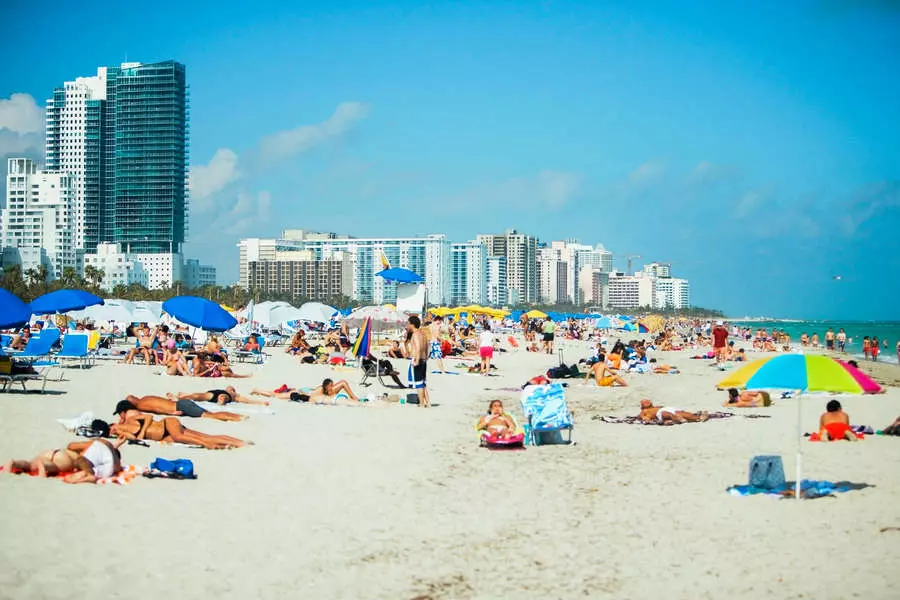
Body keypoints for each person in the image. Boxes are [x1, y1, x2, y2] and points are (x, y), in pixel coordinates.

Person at [4, 434, 125, 483]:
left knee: (30, 465)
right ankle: (43, 466)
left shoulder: (94, 444)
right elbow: (112, 459)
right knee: (52, 467)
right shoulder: (95, 457)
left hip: (55, 451)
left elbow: (71, 445)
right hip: (65, 459)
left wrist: (116, 445)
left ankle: (14, 462)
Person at [109, 415, 249, 449]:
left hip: (167, 423)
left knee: (180, 436)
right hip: (165, 435)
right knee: (206, 436)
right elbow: (131, 438)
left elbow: (148, 416)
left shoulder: (130, 419)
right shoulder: (122, 433)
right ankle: (239, 442)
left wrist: (143, 430)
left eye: (111, 430)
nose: (112, 432)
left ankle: (208, 445)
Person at [114, 395, 245, 422]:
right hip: (181, 402)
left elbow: (157, 409)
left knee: (210, 416)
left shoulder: (142, 405)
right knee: (210, 413)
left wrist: (172, 413)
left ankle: (238, 418)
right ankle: (238, 416)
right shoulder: (146, 397)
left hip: (179, 406)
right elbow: (160, 402)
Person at [407, 316, 430, 407]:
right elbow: (428, 346)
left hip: (418, 359)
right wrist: (426, 357)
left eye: (408, 323)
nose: (407, 325)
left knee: (418, 383)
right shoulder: (423, 334)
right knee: (423, 383)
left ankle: (421, 404)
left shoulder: (416, 334)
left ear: (412, 324)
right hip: (423, 360)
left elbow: (418, 347)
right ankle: (428, 403)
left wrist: (416, 360)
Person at [175, 386, 269, 406]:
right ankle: (180, 397)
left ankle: (221, 402)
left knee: (222, 397)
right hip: (213, 393)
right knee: (196, 396)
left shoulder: (236, 396)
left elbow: (248, 401)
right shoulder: (226, 389)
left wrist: (261, 402)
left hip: (224, 396)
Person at [639, 400, 709, 424]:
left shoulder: (656, 407)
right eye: (644, 402)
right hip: (660, 412)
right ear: (642, 406)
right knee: (666, 413)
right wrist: (646, 419)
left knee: (680, 412)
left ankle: (698, 418)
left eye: (648, 400)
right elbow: (643, 418)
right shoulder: (644, 411)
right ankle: (677, 419)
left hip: (668, 408)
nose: (647, 401)